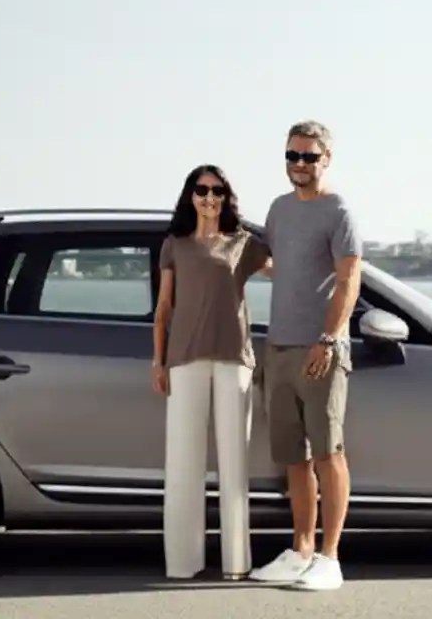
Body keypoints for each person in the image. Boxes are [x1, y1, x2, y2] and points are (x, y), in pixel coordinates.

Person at [248, 120, 361, 591]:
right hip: (279, 348)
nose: (299, 164)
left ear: (327, 159)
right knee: (293, 457)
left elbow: (349, 278)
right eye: (292, 156)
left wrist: (329, 338)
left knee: (328, 454)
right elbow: (282, 266)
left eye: (308, 157)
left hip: (321, 350)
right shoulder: (279, 209)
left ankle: (330, 559)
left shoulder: (339, 211)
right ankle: (301, 551)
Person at [152, 164, 271, 581]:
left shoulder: (243, 244)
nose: (209, 197)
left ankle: (237, 564)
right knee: (183, 463)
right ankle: (183, 563)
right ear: (191, 195)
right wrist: (158, 360)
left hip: (234, 359)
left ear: (226, 196)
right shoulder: (176, 245)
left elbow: (286, 270)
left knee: (234, 463)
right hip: (184, 359)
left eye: (217, 190)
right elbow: (164, 308)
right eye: (202, 190)